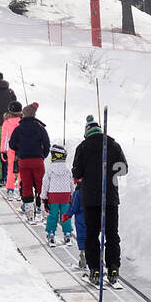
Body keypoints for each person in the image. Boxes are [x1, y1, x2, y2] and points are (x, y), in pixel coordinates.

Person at [72, 117, 128, 287]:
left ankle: (95, 268)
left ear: (86, 131)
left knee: (91, 234)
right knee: (111, 234)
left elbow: (77, 172)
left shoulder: (83, 147)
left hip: (90, 198)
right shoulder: (113, 145)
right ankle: (113, 268)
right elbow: (123, 169)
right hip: (109, 197)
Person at [9, 101, 51, 214]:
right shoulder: (40, 128)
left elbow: (11, 144)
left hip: (23, 160)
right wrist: (43, 155)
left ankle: (28, 206)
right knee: (40, 182)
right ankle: (41, 205)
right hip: (38, 160)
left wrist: (19, 150)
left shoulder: (18, 129)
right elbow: (47, 144)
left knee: (26, 183)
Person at [42, 143, 74, 245]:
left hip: (53, 195)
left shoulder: (50, 169)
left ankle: (51, 233)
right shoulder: (67, 169)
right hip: (65, 195)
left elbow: (45, 182)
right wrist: (72, 194)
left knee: (53, 215)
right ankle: (67, 233)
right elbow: (71, 183)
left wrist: (43, 196)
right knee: (65, 215)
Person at [0, 100, 24, 194]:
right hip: (22, 149)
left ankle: (10, 188)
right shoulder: (23, 121)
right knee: (21, 170)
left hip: (10, 149)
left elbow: (5, 138)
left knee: (10, 169)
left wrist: (3, 151)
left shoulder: (7, 122)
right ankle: (21, 188)